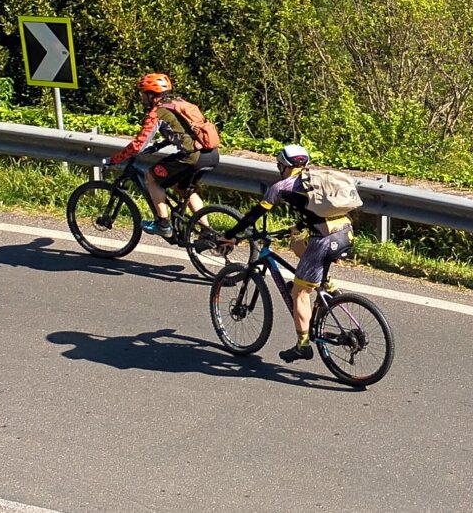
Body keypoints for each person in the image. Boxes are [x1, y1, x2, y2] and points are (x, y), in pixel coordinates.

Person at [226, 144, 355, 362]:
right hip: (346, 233)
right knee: (297, 244)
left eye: (279, 165)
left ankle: (302, 345)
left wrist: (230, 234)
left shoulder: (281, 186)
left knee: (300, 293)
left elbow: (253, 215)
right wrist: (296, 227)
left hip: (323, 241)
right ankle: (327, 285)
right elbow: (315, 210)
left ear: (284, 166)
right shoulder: (316, 178)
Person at [104, 73, 220, 240]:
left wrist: (115, 159)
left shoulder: (158, 112)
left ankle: (163, 224)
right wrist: (160, 145)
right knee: (184, 188)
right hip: (211, 155)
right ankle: (206, 231)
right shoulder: (180, 103)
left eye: (143, 94)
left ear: (151, 94)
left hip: (191, 157)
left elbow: (139, 144)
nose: (141, 97)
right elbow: (186, 132)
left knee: (151, 177)